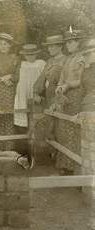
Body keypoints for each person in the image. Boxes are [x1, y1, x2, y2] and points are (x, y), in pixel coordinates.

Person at [54, 29, 87, 174]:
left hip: (76, 96)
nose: (69, 45)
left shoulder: (82, 58)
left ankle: (76, 167)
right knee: (63, 129)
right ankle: (66, 165)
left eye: (71, 42)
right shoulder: (68, 59)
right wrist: (59, 87)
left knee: (74, 129)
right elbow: (62, 77)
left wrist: (67, 86)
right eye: (67, 42)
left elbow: (81, 80)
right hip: (65, 96)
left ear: (78, 42)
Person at [32, 35, 66, 147]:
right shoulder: (50, 61)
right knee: (49, 127)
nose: (49, 49)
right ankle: (53, 155)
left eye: (52, 47)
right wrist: (36, 92)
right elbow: (42, 78)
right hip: (48, 97)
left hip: (60, 97)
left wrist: (58, 99)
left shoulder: (65, 60)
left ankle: (60, 156)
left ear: (60, 47)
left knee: (59, 126)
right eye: (49, 47)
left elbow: (65, 81)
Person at [13, 44, 46, 153]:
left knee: (36, 121)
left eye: (32, 55)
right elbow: (16, 78)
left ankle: (36, 150)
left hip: (36, 93)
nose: (30, 57)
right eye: (27, 55)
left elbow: (45, 80)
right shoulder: (21, 64)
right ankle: (23, 150)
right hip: (22, 94)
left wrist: (41, 93)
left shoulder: (41, 63)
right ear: (24, 55)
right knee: (23, 121)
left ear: (36, 54)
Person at [80, 38, 95, 112]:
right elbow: (82, 91)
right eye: (86, 55)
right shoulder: (85, 70)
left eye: (89, 54)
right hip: (87, 106)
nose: (86, 57)